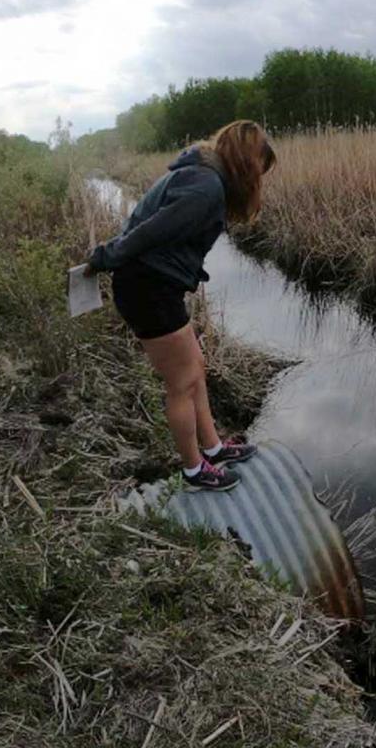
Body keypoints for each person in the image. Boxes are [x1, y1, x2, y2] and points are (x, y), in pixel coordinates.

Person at [85, 120, 276, 492]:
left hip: (157, 286)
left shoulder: (202, 175)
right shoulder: (205, 188)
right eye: (260, 170)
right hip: (147, 288)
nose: (260, 179)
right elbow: (148, 232)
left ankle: (214, 448)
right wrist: (105, 256)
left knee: (195, 370)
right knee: (181, 382)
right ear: (245, 164)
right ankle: (193, 469)